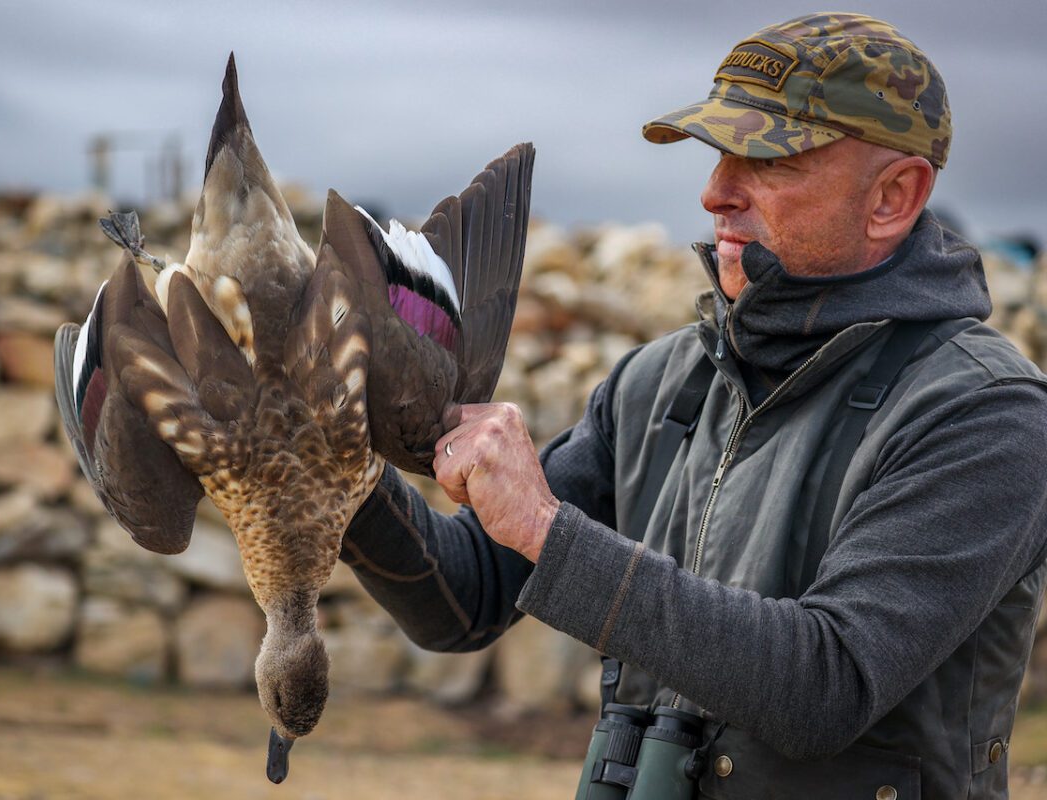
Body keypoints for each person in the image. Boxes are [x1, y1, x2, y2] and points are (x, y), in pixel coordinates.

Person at [340, 12, 1047, 798]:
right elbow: (462, 602)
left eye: (769, 159)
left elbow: (828, 686)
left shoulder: (986, 414)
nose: (716, 192)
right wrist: (329, 474)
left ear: (893, 196)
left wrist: (547, 531)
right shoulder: (658, 382)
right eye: (719, 153)